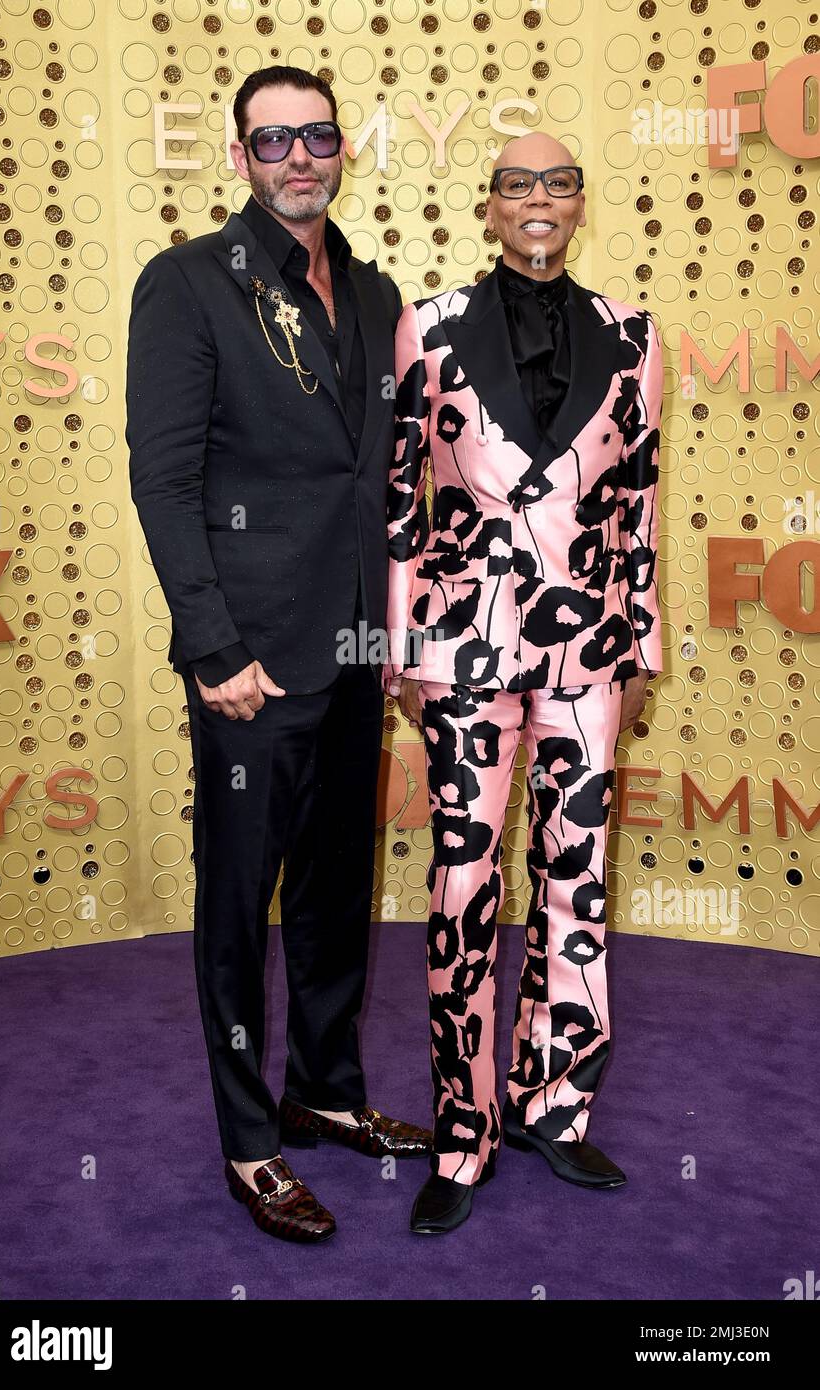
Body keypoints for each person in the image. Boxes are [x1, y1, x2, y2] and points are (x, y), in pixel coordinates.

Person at [126, 64, 431, 1246]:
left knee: (336, 894)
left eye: (315, 137)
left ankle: (325, 1089)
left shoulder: (372, 288)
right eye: (272, 142)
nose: (297, 158)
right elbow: (165, 480)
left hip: (356, 645)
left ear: (342, 147)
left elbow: (379, 474)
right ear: (240, 156)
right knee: (237, 910)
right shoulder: (190, 282)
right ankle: (252, 1142)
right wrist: (212, 646)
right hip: (249, 657)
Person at [384, 131, 663, 1234]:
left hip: (589, 649)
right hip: (461, 646)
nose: (537, 199)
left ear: (578, 203)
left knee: (574, 881)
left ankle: (558, 1102)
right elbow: (402, 490)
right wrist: (401, 643)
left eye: (556, 182)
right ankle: (464, 1129)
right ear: (488, 208)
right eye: (516, 185)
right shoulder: (430, 323)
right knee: (462, 887)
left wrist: (638, 641)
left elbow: (637, 503)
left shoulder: (635, 337)